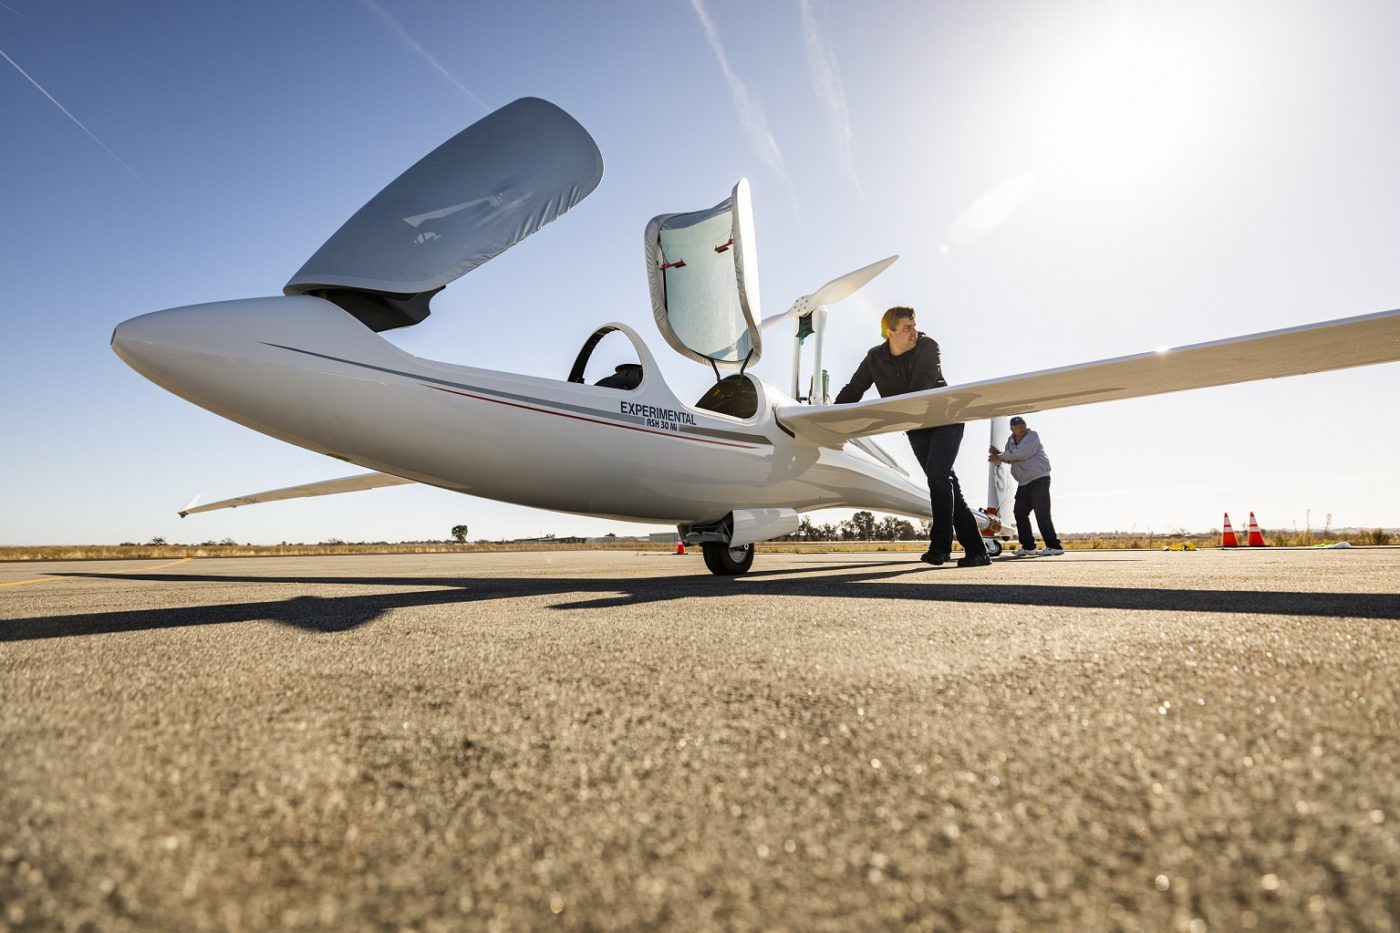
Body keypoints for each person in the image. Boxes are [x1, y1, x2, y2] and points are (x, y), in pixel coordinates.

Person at [834, 306, 990, 568]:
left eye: (914, 326)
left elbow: (921, 387)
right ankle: (977, 551)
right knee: (946, 484)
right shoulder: (874, 358)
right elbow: (854, 389)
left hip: (946, 418)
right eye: (907, 328)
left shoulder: (928, 347)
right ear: (889, 332)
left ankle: (940, 548)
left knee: (938, 477)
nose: (914, 332)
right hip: (916, 427)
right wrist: (830, 417)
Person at [989, 416, 1064, 556]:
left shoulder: (1032, 436)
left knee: (1042, 513)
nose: (1022, 427)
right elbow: (1012, 458)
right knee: (1019, 512)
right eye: (1018, 425)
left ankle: (1054, 546)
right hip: (1024, 483)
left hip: (1039, 479)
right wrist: (998, 454)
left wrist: (1000, 455)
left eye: (1023, 424)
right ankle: (1028, 546)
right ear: (1012, 428)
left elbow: (1021, 454)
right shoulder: (1010, 442)